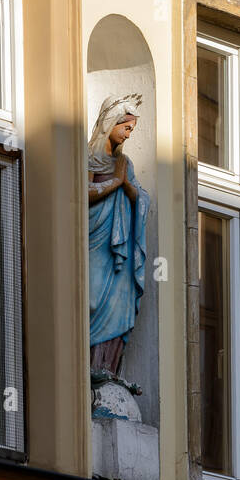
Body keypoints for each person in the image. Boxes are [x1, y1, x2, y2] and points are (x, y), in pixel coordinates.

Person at [87, 93, 150, 381]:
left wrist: (127, 186)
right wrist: (116, 182)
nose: (128, 135)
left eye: (132, 130)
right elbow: (83, 194)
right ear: (110, 123)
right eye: (126, 128)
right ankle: (86, 366)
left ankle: (107, 370)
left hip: (120, 247)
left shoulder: (125, 162)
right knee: (91, 300)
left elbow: (140, 198)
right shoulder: (88, 157)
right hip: (95, 241)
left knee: (119, 303)